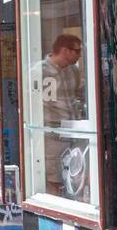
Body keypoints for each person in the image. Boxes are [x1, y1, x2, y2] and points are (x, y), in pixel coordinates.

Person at [34, 34, 86, 197]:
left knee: (75, 174)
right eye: (77, 51)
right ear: (64, 50)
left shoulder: (73, 71)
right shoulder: (39, 71)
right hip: (51, 133)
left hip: (72, 132)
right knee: (53, 175)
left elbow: (77, 95)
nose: (79, 55)